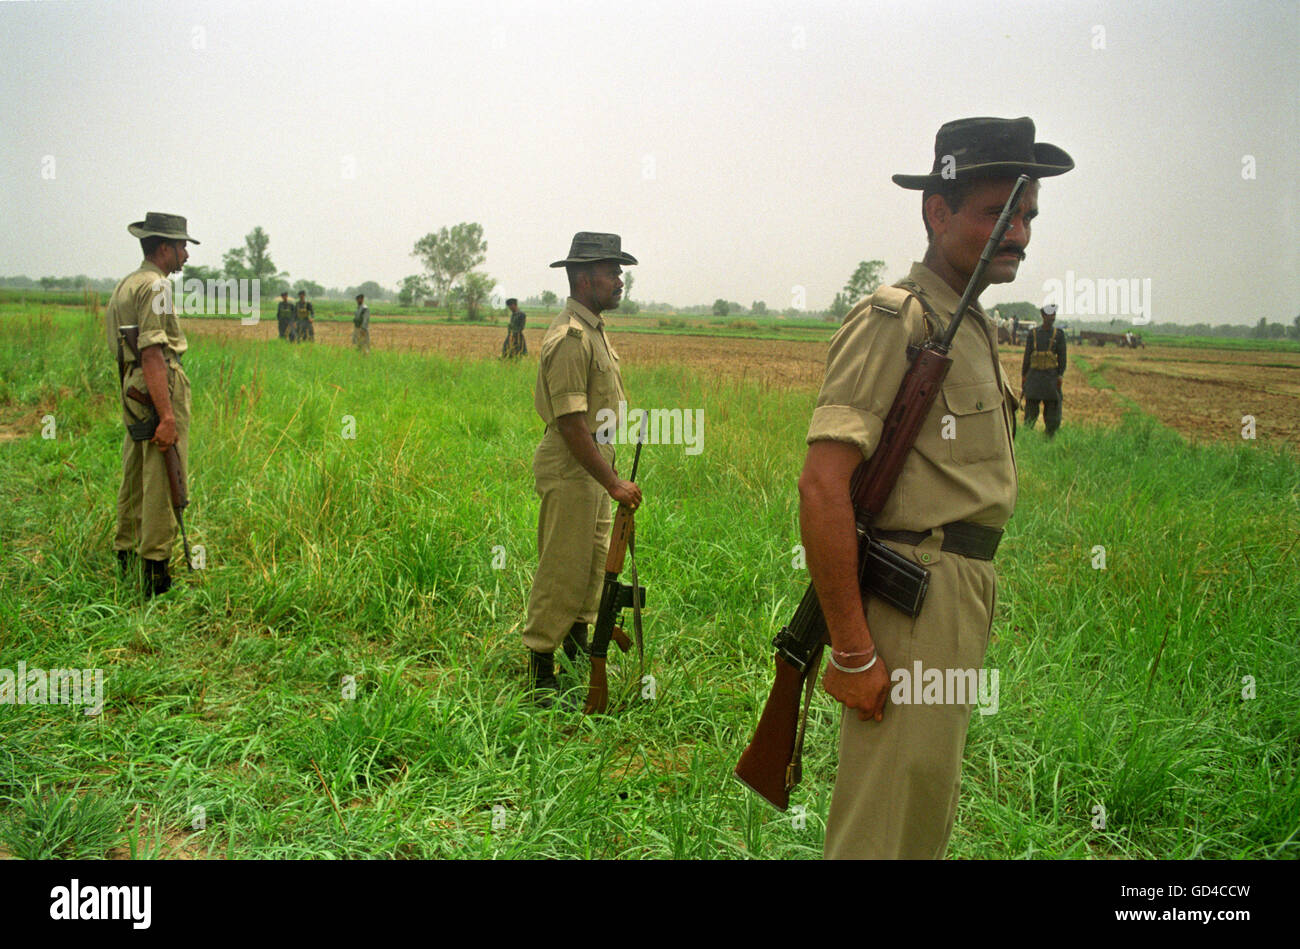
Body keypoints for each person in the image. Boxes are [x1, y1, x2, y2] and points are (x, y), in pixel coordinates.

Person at [797, 117, 1072, 858]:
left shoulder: (971, 321)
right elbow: (824, 487)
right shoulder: (900, 317)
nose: (1017, 232)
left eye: (1027, 217)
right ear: (937, 211)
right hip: (911, 598)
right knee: (883, 824)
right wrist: (853, 651)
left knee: (921, 815)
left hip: (955, 596)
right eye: (996, 214)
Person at [523, 232, 643, 705]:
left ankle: (576, 654)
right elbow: (573, 423)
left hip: (593, 467)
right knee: (562, 567)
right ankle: (540, 671)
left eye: (619, 272)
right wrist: (613, 483)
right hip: (577, 467)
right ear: (583, 276)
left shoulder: (593, 330)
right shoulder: (571, 338)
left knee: (592, 566)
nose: (619, 281)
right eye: (612, 272)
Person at [105, 212, 200, 597]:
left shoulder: (128, 283)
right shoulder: (157, 286)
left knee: (135, 473)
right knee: (162, 476)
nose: (185, 255)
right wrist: (166, 417)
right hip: (157, 384)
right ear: (164, 247)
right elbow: (153, 354)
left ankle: (126, 555)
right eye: (181, 247)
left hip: (134, 388)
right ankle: (155, 576)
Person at [1021, 303, 1067, 437]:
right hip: (1034, 377)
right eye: (1049, 314)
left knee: (1052, 411)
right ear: (1043, 315)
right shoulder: (1033, 334)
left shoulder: (1059, 334)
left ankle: (1049, 436)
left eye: (1054, 315)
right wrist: (1024, 376)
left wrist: (1060, 376)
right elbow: (1027, 357)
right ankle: (1027, 437)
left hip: (1051, 378)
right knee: (1030, 411)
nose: (1052, 317)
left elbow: (1062, 357)